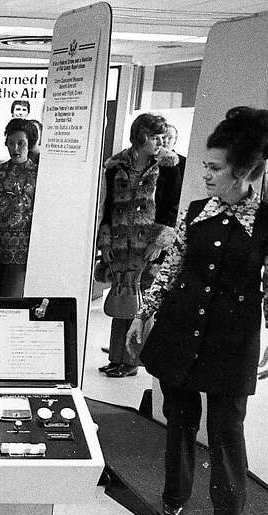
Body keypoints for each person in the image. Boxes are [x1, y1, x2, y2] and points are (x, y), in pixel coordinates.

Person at [128, 107, 268, 515]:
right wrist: (145, 313)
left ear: (244, 171)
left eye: (214, 167)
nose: (203, 173)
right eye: (205, 164)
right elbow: (172, 267)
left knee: (226, 430)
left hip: (231, 339)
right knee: (179, 419)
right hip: (181, 328)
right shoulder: (197, 212)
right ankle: (174, 495)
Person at [96, 112, 182, 378]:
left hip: (148, 245)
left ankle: (133, 360)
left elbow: (171, 208)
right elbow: (108, 206)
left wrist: (160, 241)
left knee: (142, 302)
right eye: (155, 137)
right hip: (122, 243)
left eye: (161, 137)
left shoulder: (168, 166)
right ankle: (116, 356)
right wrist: (106, 239)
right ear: (142, 136)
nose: (160, 142)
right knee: (122, 295)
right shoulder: (116, 166)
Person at [0, 118, 40, 297]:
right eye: (11, 143)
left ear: (30, 143)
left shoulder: (39, 174)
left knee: (11, 301)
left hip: (22, 250)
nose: (15, 149)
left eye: (20, 143)